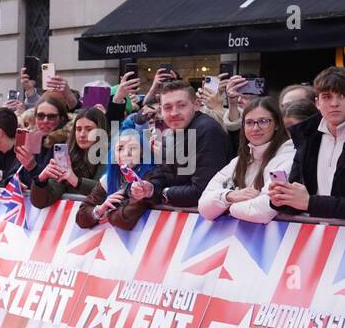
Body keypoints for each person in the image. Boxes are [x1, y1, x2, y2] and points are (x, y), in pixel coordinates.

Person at [198, 97, 291, 224]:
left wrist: (230, 207)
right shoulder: (238, 161)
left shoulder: (288, 157)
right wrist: (229, 196)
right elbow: (204, 208)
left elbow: (264, 211)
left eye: (263, 121)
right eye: (249, 122)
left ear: (277, 125)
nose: (255, 128)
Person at [271, 67, 345, 219]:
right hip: (316, 235)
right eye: (327, 97)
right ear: (317, 103)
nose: (334, 103)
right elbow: (299, 199)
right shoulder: (307, 136)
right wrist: (281, 199)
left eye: (342, 96)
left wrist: (310, 203)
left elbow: (306, 201)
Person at [145, 79, 229, 208]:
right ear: (161, 111)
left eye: (181, 105)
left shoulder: (207, 130)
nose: (174, 113)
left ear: (196, 105)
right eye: (168, 107)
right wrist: (149, 188)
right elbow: (163, 174)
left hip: (208, 220)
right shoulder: (171, 132)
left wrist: (164, 193)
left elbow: (203, 191)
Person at [29, 107, 107, 208]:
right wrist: (41, 181)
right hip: (69, 221)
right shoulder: (68, 155)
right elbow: (41, 203)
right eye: (78, 129)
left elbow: (106, 191)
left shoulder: (112, 155)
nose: (82, 134)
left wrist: (75, 180)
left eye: (89, 129)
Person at [75, 129, 151, 230]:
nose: (126, 153)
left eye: (132, 148)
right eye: (120, 149)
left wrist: (109, 215)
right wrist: (100, 209)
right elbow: (81, 218)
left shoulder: (147, 178)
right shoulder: (107, 179)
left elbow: (127, 219)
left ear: (142, 152)